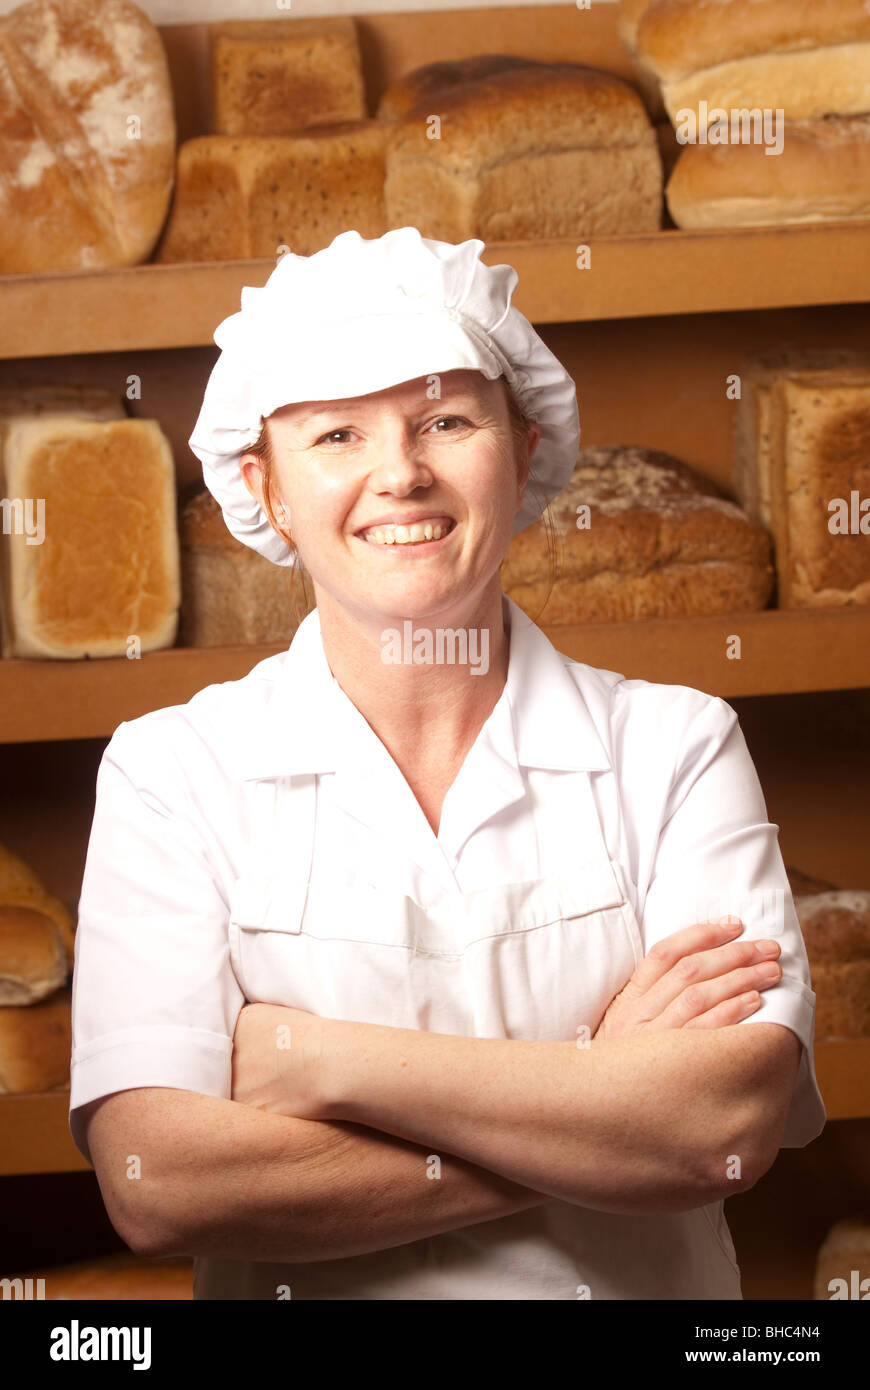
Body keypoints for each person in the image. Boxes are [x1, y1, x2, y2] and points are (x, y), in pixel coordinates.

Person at [69, 227, 825, 1300]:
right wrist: (604, 1098)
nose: (401, 475)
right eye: (336, 434)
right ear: (267, 487)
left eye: (446, 420)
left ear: (522, 450)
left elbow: (721, 1128)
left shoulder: (676, 746)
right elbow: (158, 1183)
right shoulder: (172, 773)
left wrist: (323, 1060)